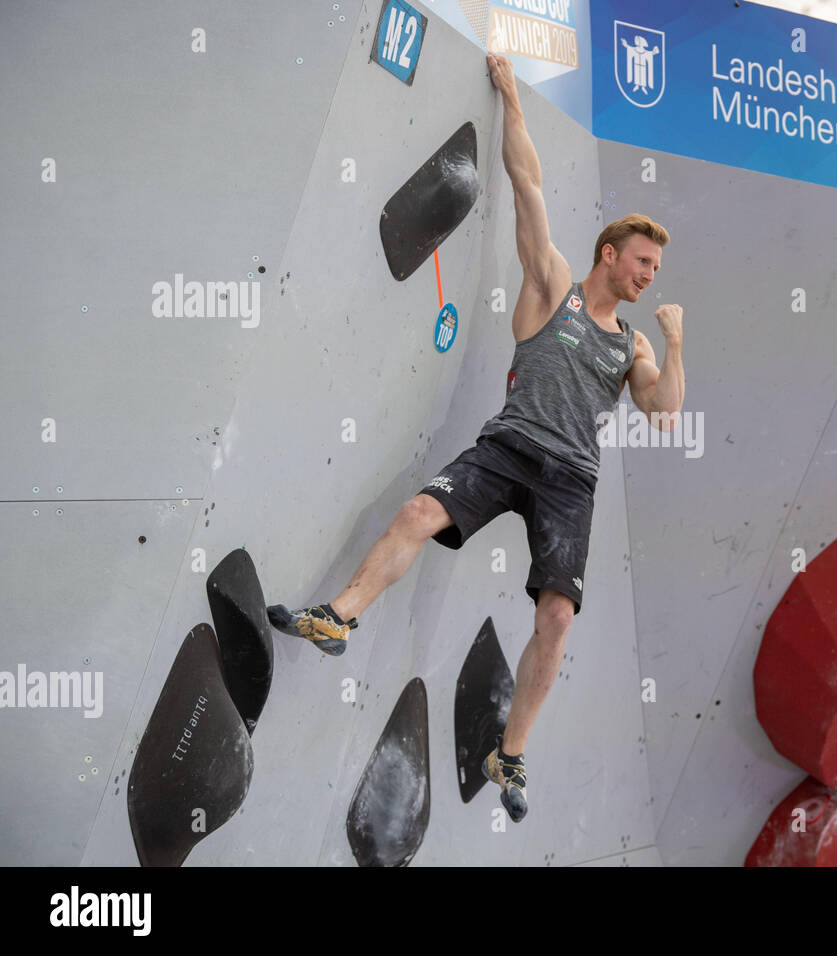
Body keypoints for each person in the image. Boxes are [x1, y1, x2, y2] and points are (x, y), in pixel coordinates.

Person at [268, 53, 685, 823]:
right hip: (508, 446)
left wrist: (676, 342)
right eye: (642, 263)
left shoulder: (633, 345)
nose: (648, 277)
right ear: (609, 254)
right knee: (420, 514)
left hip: (570, 481)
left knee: (557, 616)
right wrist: (513, 99)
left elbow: (663, 410)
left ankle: (511, 751)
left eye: (656, 269)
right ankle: (337, 614)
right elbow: (527, 186)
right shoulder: (553, 286)